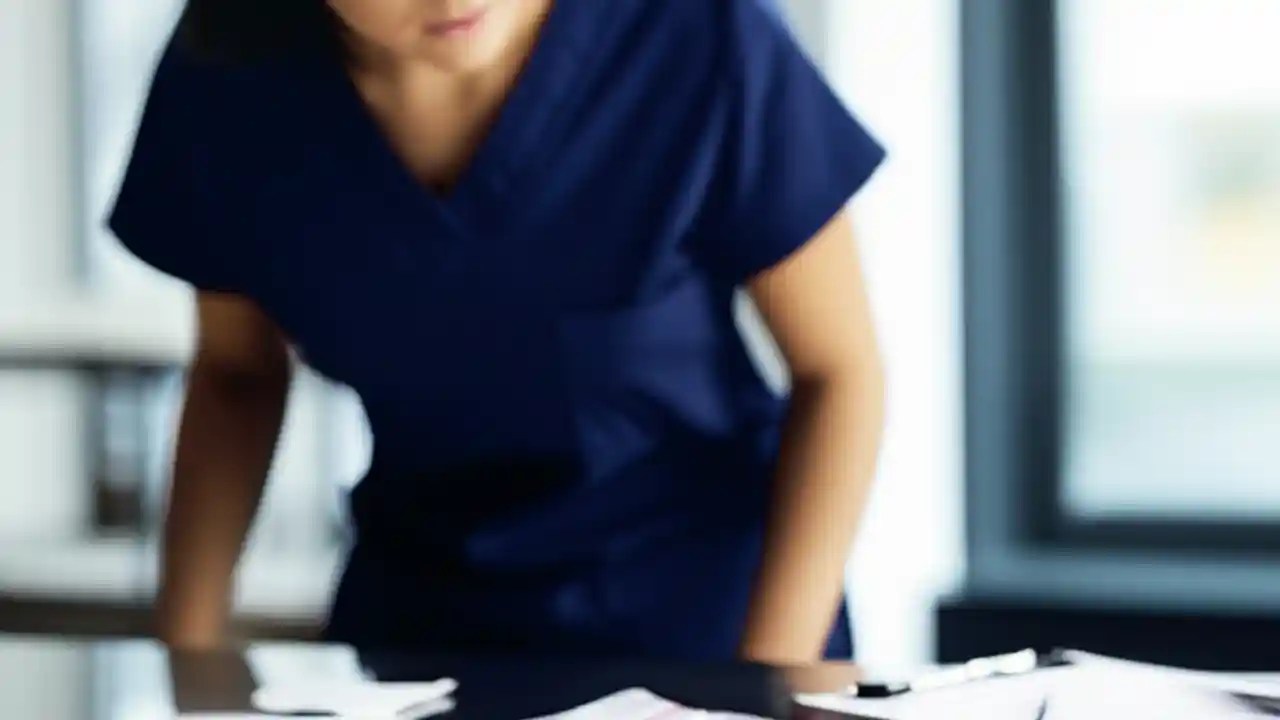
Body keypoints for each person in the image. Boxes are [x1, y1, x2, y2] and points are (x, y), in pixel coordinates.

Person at [110, 0, 887, 663]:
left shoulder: (696, 34)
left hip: (710, 620)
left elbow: (839, 372)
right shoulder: (229, 76)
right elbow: (237, 375)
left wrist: (767, 680)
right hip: (415, 633)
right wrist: (187, 657)